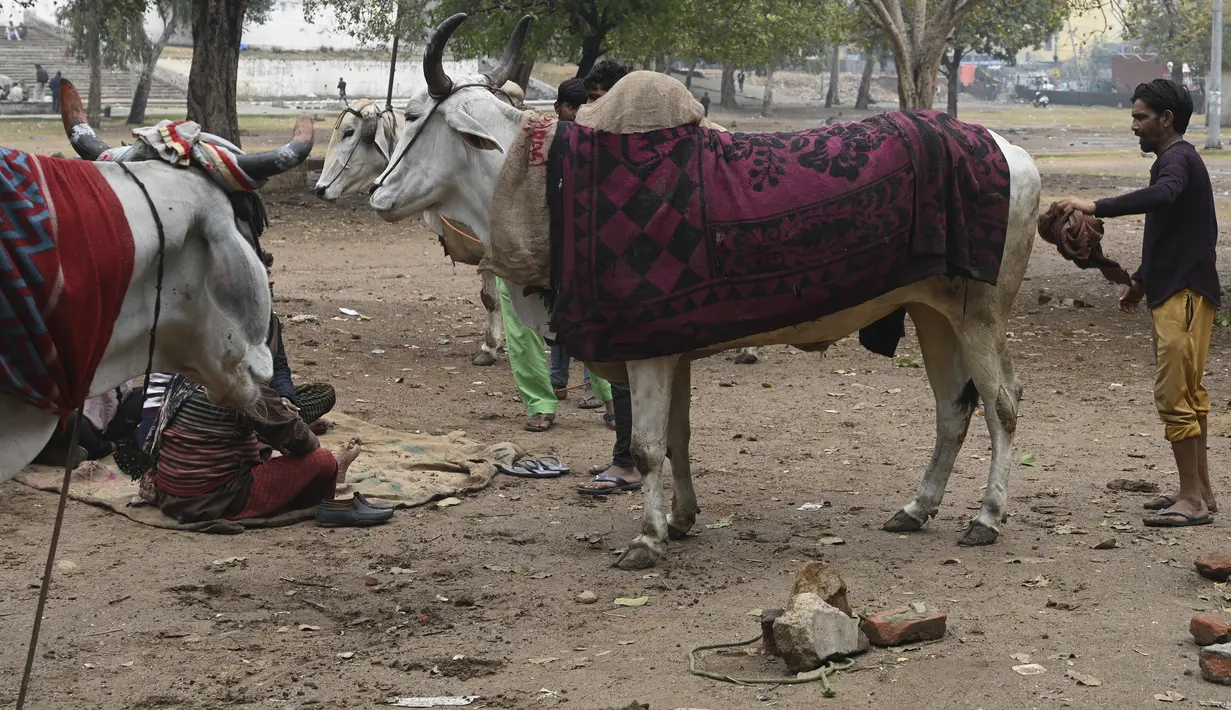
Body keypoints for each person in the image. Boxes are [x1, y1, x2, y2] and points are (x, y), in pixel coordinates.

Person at [1055, 79, 1219, 528]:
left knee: (1173, 396)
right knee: (1190, 394)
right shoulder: (1174, 161)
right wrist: (1141, 281)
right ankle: (1201, 490)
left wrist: (1094, 204)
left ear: (1166, 120)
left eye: (1141, 117)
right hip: (1177, 290)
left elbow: (1163, 197)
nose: (1134, 126)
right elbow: (1171, 232)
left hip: (1184, 295)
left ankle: (1191, 500)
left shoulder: (1178, 159)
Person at [140, 373, 383, 526]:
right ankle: (332, 476)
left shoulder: (187, 370)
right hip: (213, 498)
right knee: (323, 460)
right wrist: (284, 415)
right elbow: (306, 444)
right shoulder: (241, 382)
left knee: (259, 437)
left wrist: (279, 406)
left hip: (171, 491)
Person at [576, 60, 642, 495]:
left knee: (629, 374)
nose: (589, 109)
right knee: (624, 374)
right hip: (620, 267)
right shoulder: (610, 142)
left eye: (598, 99)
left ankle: (629, 464)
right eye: (587, 100)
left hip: (634, 274)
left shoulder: (628, 144)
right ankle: (626, 457)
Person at [549, 76, 616, 427]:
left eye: (587, 105)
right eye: (573, 106)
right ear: (557, 107)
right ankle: (557, 383)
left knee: (590, 318)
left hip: (592, 242)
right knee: (560, 312)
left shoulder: (600, 140)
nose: (577, 114)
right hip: (561, 241)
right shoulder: (550, 140)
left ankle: (598, 392)